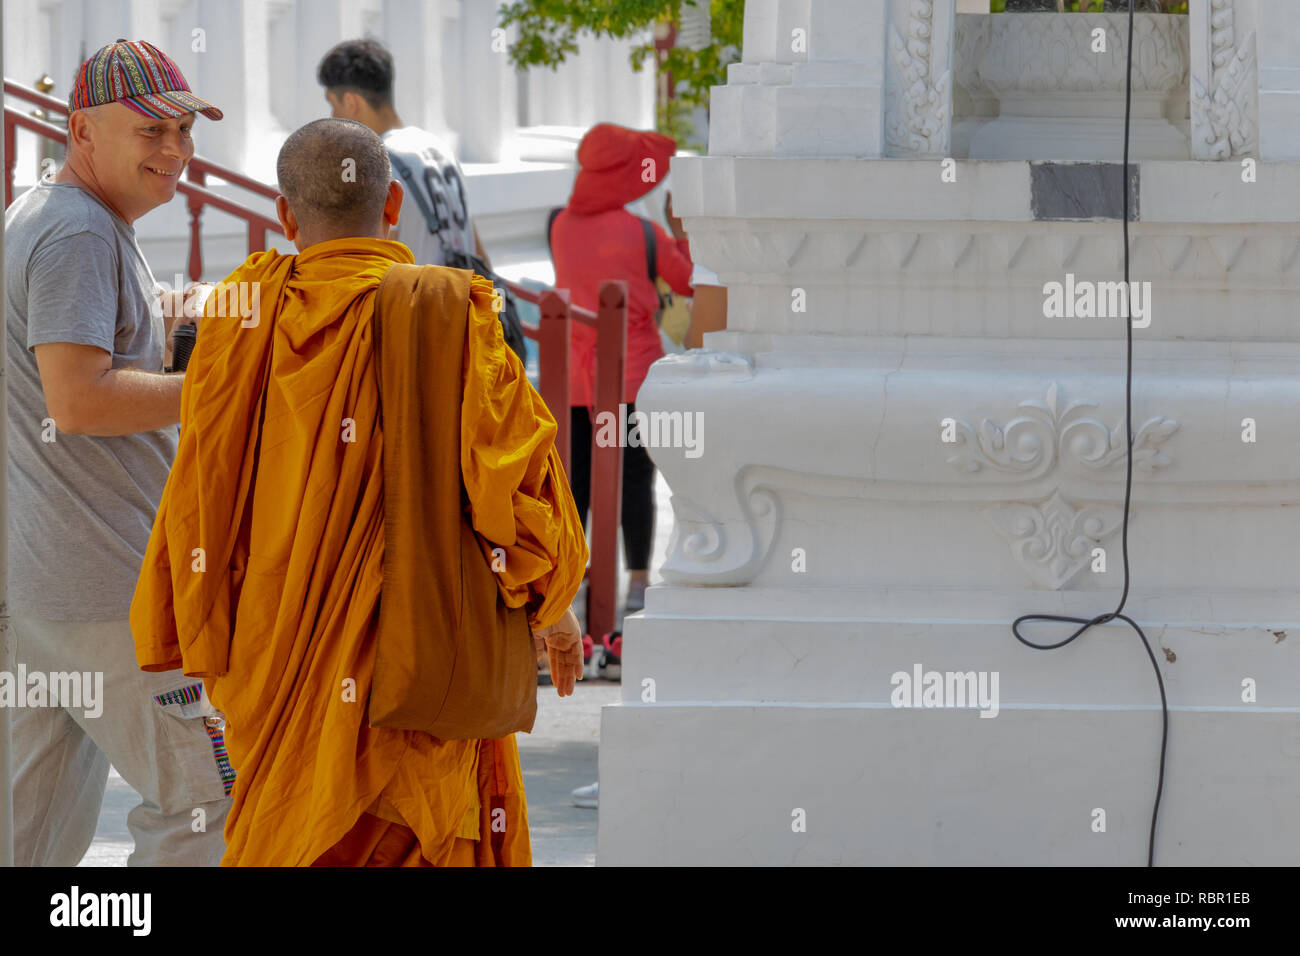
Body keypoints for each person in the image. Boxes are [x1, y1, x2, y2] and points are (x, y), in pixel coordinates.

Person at [130, 118, 589, 866]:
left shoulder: (241, 317)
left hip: (274, 666)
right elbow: (514, 493)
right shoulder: (447, 314)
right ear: (394, 202)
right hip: (416, 675)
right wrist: (555, 611)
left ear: (284, 215)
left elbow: (199, 499)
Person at [4, 38, 231, 866]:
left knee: (28, 835)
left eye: (183, 128)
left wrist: (173, 321)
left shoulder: (58, 217)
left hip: (46, 588)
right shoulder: (77, 234)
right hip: (109, 588)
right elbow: (78, 399)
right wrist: (228, 387)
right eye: (151, 131)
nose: (174, 150)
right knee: (209, 802)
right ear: (83, 132)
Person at [550, 123, 695, 647]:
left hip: (574, 382)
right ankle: (636, 586)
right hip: (633, 379)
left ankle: (578, 590)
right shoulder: (644, 234)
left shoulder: (557, 226)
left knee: (578, 485)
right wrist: (680, 231)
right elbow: (689, 281)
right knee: (635, 480)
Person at [316, 38, 491, 269]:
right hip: (463, 297)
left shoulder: (376, 162)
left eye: (333, 104)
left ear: (351, 101)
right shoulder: (438, 148)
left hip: (415, 301)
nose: (333, 116)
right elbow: (477, 251)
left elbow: (378, 260)